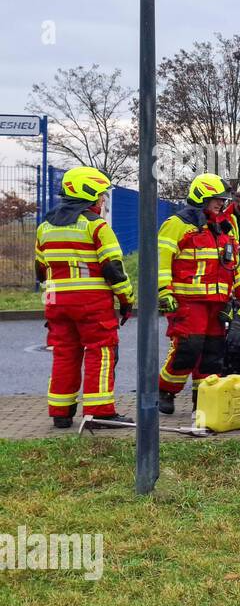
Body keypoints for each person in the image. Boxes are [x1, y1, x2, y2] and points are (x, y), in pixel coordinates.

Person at [34, 166, 135, 427]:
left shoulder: (45, 227)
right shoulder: (96, 226)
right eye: (101, 195)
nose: (103, 201)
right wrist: (126, 300)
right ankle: (98, 412)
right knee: (100, 352)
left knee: (64, 353)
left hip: (56, 304)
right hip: (91, 303)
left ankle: (60, 413)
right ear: (88, 193)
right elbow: (113, 268)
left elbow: (41, 270)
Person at [157, 174, 240, 415]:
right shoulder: (178, 224)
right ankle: (165, 390)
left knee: (213, 352)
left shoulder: (223, 229)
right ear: (202, 197)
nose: (221, 203)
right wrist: (163, 290)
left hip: (218, 303)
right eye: (216, 199)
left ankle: (203, 399)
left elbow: (234, 266)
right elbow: (161, 259)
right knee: (188, 348)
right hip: (188, 301)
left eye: (222, 200)